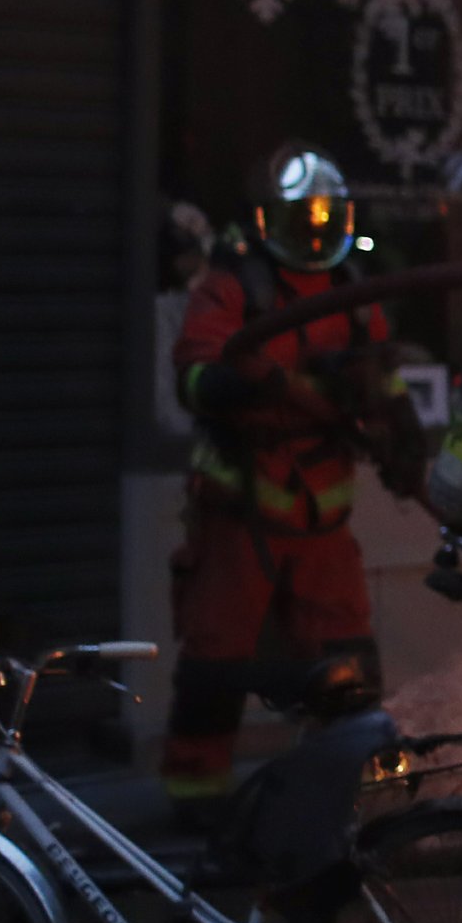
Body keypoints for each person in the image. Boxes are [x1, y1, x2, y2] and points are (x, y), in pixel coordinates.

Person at [164, 145, 418, 812]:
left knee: (348, 663)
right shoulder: (235, 285)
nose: (313, 232)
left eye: (324, 218)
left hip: (322, 522)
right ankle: (194, 796)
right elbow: (195, 371)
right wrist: (233, 383)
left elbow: (382, 376)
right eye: (299, 219)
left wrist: (405, 434)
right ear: (266, 219)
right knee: (216, 663)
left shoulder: (353, 288)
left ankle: (361, 794)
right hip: (239, 512)